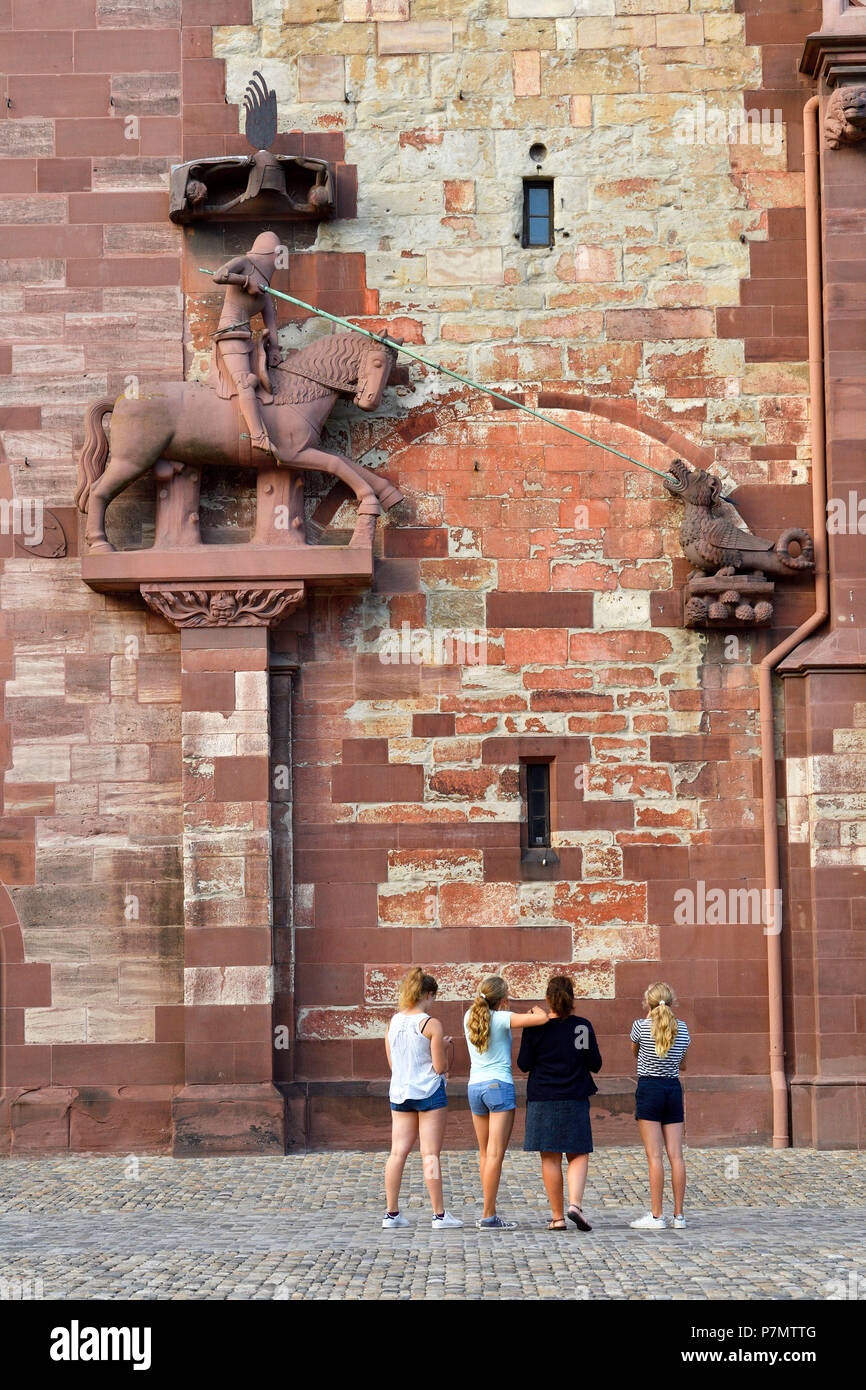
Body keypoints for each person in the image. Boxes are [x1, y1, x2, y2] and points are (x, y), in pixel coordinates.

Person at [463, 975, 550, 1230]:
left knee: (484, 1152)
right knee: (495, 1154)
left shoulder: (469, 1016)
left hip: (474, 1088)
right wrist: (533, 1009)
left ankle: (489, 1210)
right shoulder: (501, 1018)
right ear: (502, 999)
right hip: (499, 1087)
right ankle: (488, 1215)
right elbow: (541, 1018)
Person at [517, 975, 602, 1232]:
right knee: (578, 1153)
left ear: (547, 999)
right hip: (575, 1096)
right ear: (572, 998)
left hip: (543, 1097)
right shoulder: (582, 1028)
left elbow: (524, 1064)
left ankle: (557, 1218)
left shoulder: (534, 1027)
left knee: (550, 1156)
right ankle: (575, 1205)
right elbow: (595, 1064)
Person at [383, 966, 463, 1230]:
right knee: (430, 1154)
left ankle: (391, 1213)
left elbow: (394, 1064)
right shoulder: (431, 1023)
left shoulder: (393, 1022)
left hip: (401, 1092)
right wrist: (443, 1045)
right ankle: (439, 1215)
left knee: (397, 1152)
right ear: (428, 994)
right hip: (429, 1092)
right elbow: (439, 1068)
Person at [209, 230, 283, 458]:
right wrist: (246, 280)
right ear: (271, 253)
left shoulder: (265, 294)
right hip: (230, 334)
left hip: (247, 338)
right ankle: (258, 437)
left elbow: (270, 324)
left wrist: (274, 350)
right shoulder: (244, 263)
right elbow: (218, 275)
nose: (278, 262)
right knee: (246, 382)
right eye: (277, 256)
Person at [629, 981, 691, 1231]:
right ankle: (679, 1216)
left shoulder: (640, 1027)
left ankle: (656, 1216)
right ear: (672, 1002)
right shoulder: (683, 1029)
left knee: (654, 1156)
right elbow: (683, 1064)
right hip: (673, 1089)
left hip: (649, 1089)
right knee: (676, 1155)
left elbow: (635, 1052)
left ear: (648, 1003)